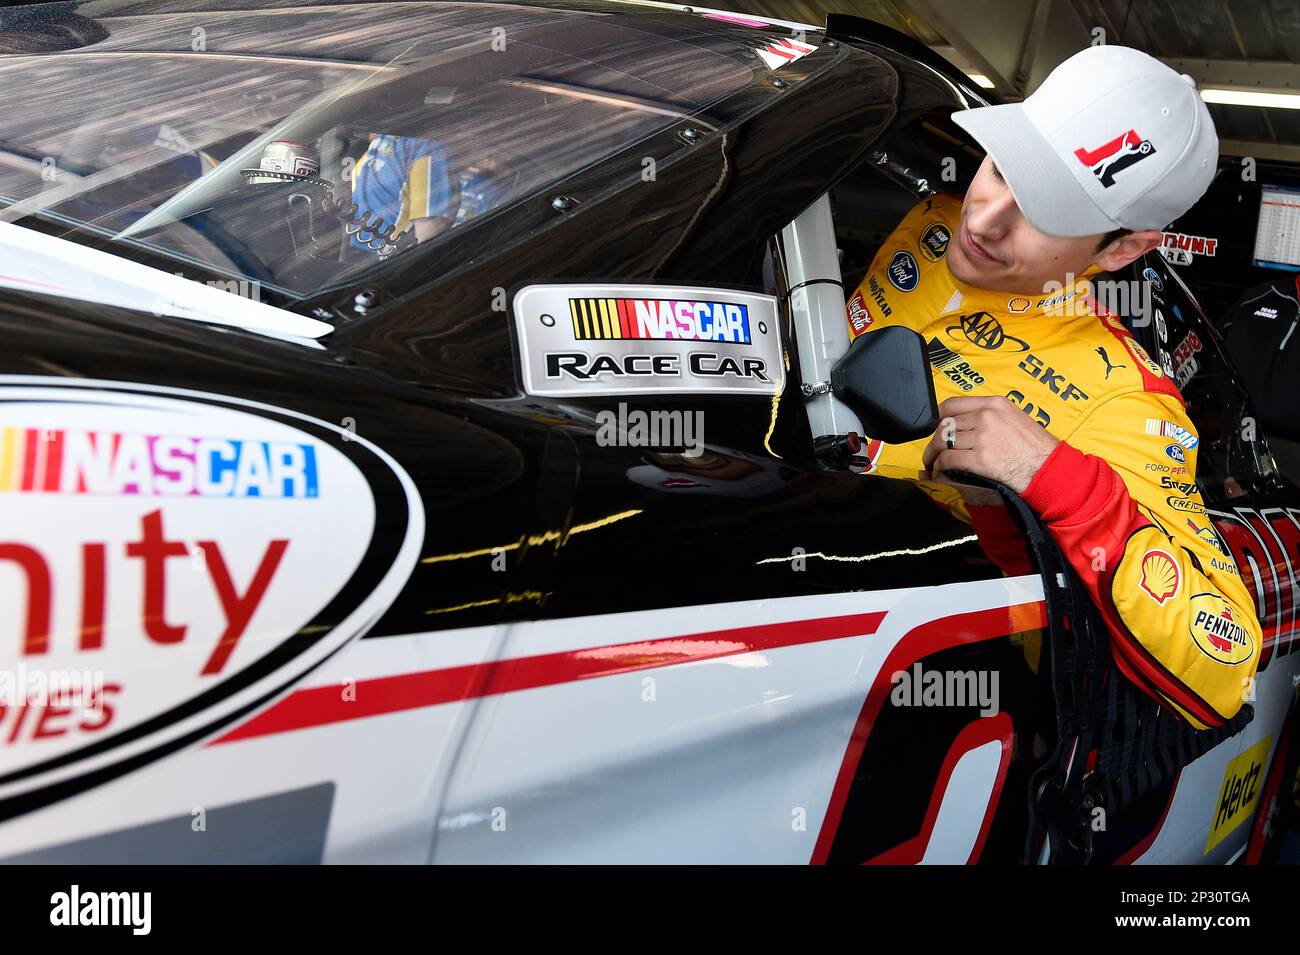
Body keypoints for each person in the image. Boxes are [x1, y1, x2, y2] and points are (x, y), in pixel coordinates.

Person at [847, 44, 1260, 730]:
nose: (983, 220)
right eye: (1002, 168)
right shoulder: (934, 220)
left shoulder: (1129, 403)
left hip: (898, 690)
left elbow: (1225, 668)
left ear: (1121, 250)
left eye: (1047, 214)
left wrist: (1053, 478)